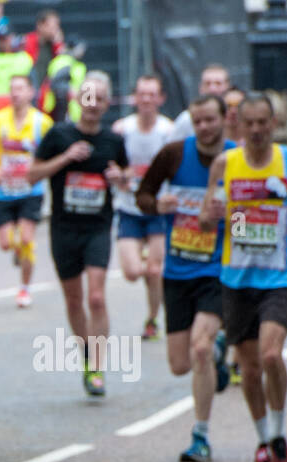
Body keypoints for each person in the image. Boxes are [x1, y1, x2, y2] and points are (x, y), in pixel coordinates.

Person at [135, 94, 235, 462]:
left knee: (199, 348)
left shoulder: (236, 160)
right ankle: (221, 352)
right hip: (177, 271)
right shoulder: (174, 154)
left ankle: (201, 436)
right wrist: (156, 205)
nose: (204, 127)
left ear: (225, 119)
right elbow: (142, 194)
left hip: (217, 271)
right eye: (198, 122)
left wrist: (231, 214)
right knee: (180, 364)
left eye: (210, 119)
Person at [201, 94, 287, 462]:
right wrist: (212, 214)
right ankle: (260, 442)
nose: (255, 130)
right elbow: (205, 221)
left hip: (279, 277)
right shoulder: (226, 164)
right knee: (250, 369)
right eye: (248, 123)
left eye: (262, 123)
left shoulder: (286, 161)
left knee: (271, 355)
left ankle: (277, 433)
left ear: (273, 123)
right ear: (238, 125)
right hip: (236, 278)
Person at [28, 72, 130, 397]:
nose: (93, 103)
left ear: (106, 104)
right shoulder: (58, 135)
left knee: (96, 297)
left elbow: (126, 177)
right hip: (64, 229)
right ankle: (87, 357)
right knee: (74, 299)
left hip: (98, 227)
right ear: (77, 99)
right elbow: (31, 174)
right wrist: (65, 158)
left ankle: (97, 367)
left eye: (99, 98)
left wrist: (121, 177)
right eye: (88, 96)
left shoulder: (114, 142)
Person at [0, 74, 53, 307]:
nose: (15, 93)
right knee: (5, 244)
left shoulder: (42, 122)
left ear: (31, 92)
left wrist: (40, 170)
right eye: (12, 89)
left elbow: (52, 152)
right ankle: (18, 251)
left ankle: (24, 288)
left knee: (26, 239)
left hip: (30, 191)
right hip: (3, 191)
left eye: (20, 89)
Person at [113, 75, 174, 339]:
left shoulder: (168, 131)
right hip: (129, 209)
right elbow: (111, 163)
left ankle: (152, 319)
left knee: (155, 270)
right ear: (134, 98)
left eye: (152, 94)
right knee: (133, 272)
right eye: (142, 94)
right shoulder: (122, 129)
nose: (147, 99)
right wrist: (119, 176)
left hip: (157, 210)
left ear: (161, 98)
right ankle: (147, 265)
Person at [168, 65, 231, 144]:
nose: (213, 88)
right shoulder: (186, 119)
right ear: (200, 87)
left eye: (218, 83)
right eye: (207, 83)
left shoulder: (235, 116)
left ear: (228, 87)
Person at [0, 26, 34, 99]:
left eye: (7, 38)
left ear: (14, 38)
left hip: (18, 101)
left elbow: (33, 85)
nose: (4, 42)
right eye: (1, 39)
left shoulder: (24, 58)